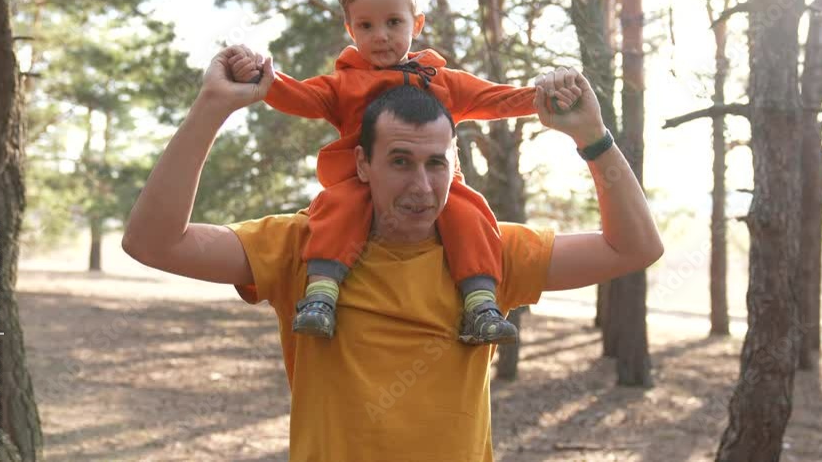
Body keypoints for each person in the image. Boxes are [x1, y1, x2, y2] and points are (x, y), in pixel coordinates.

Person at [121, 46, 663, 461]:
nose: (423, 188)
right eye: (400, 161)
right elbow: (153, 242)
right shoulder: (301, 247)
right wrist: (212, 108)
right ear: (361, 165)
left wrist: (592, 138)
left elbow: (634, 247)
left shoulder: (491, 251)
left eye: (436, 165)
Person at [223, 0, 580, 345]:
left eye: (393, 22)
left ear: (417, 22)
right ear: (350, 30)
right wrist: (260, 75)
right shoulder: (344, 85)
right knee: (334, 208)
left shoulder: (442, 81)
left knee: (470, 211)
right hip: (360, 182)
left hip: (432, 189)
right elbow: (296, 95)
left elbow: (496, 98)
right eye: (366, 25)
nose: (380, 36)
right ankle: (321, 295)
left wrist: (543, 96)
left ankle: (481, 302)